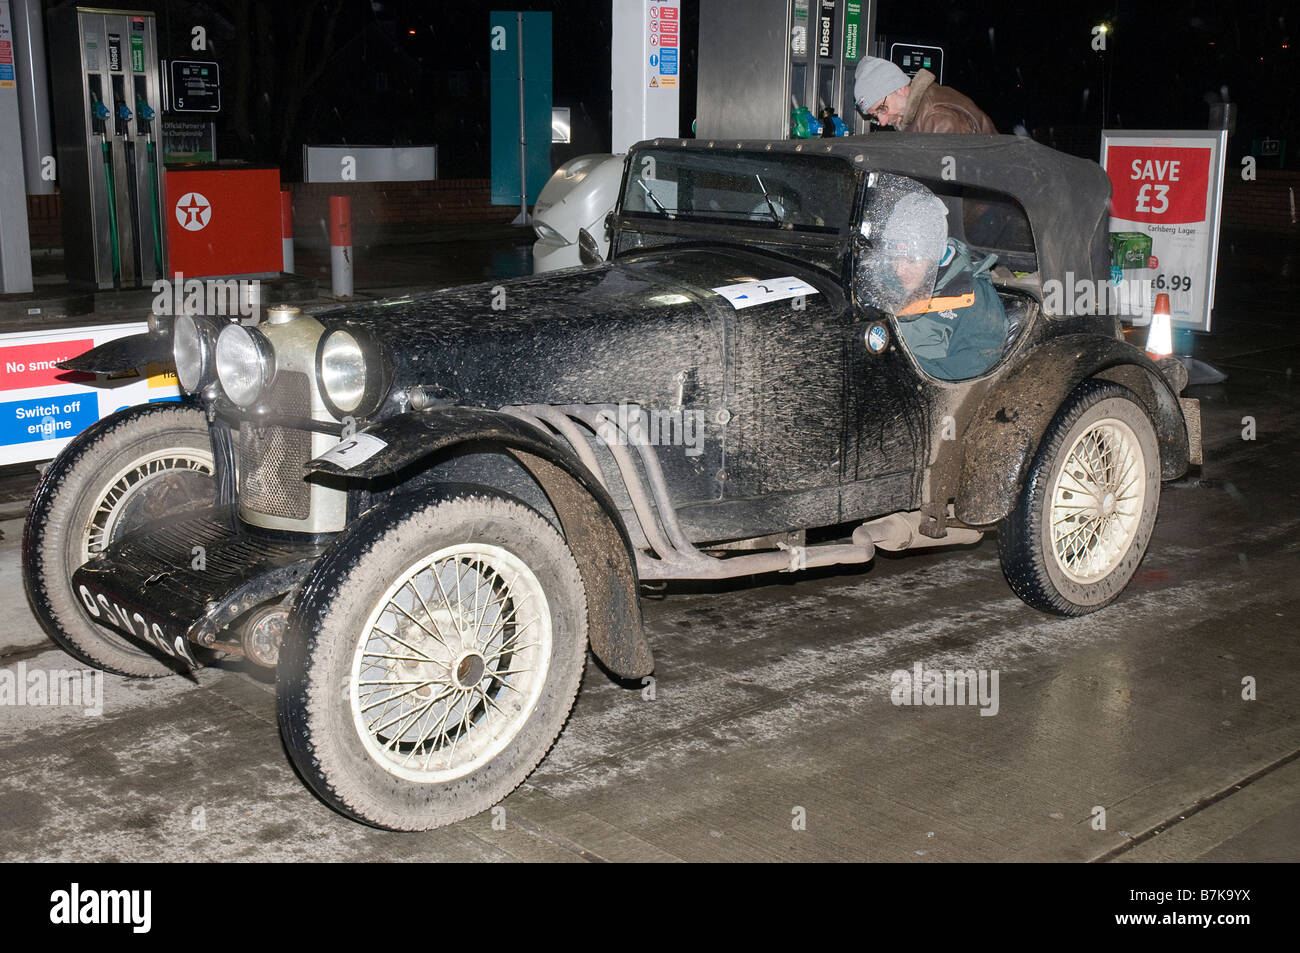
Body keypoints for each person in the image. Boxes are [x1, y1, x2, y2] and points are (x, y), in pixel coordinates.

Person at [862, 188, 1009, 381]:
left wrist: (901, 370)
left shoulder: (971, 296)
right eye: (895, 259)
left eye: (911, 261)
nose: (900, 270)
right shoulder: (879, 283)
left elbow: (976, 364)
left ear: (936, 256)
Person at [854, 57, 996, 134]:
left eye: (882, 108)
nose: (883, 122)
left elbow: (948, 185)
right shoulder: (914, 115)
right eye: (875, 116)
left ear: (899, 88)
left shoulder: (937, 119)